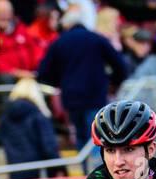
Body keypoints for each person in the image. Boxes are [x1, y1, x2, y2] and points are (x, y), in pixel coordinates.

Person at [36, 8, 131, 159]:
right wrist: (112, 83)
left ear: (66, 25)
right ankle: (97, 174)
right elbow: (120, 65)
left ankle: (88, 173)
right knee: (97, 137)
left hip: (71, 99)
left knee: (81, 140)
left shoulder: (59, 42)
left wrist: (59, 83)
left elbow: (43, 73)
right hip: (95, 97)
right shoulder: (96, 39)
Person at [0, 77, 60, 179]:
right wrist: (59, 167)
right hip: (38, 172)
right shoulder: (38, 115)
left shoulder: (6, 115)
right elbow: (49, 147)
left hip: (14, 169)